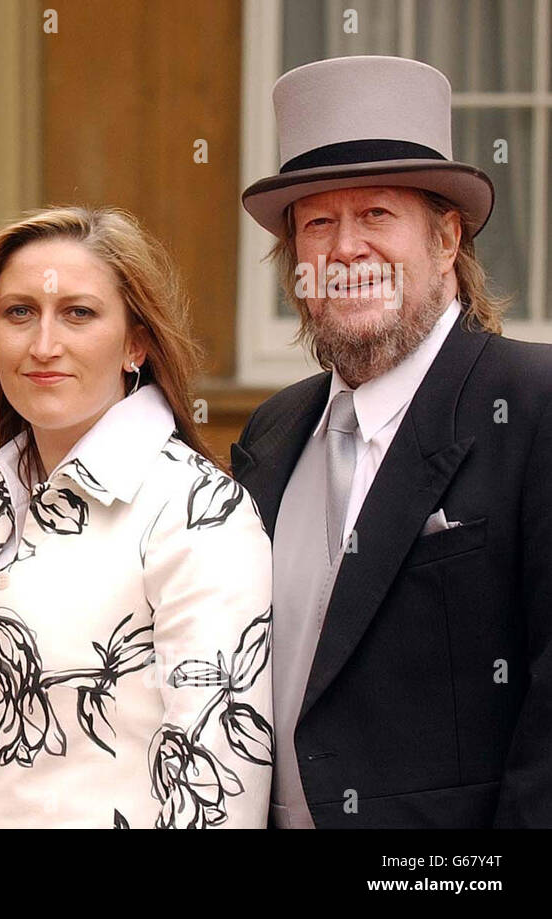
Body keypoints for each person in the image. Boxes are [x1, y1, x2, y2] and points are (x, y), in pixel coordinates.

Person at [235, 55, 552, 828]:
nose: (345, 250)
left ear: (446, 241)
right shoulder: (270, 435)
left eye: (376, 214)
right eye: (318, 222)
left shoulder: (535, 403)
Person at [0, 206, 273, 829]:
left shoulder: (196, 512)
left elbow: (218, 790)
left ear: (135, 342)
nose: (43, 345)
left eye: (78, 314)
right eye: (19, 312)